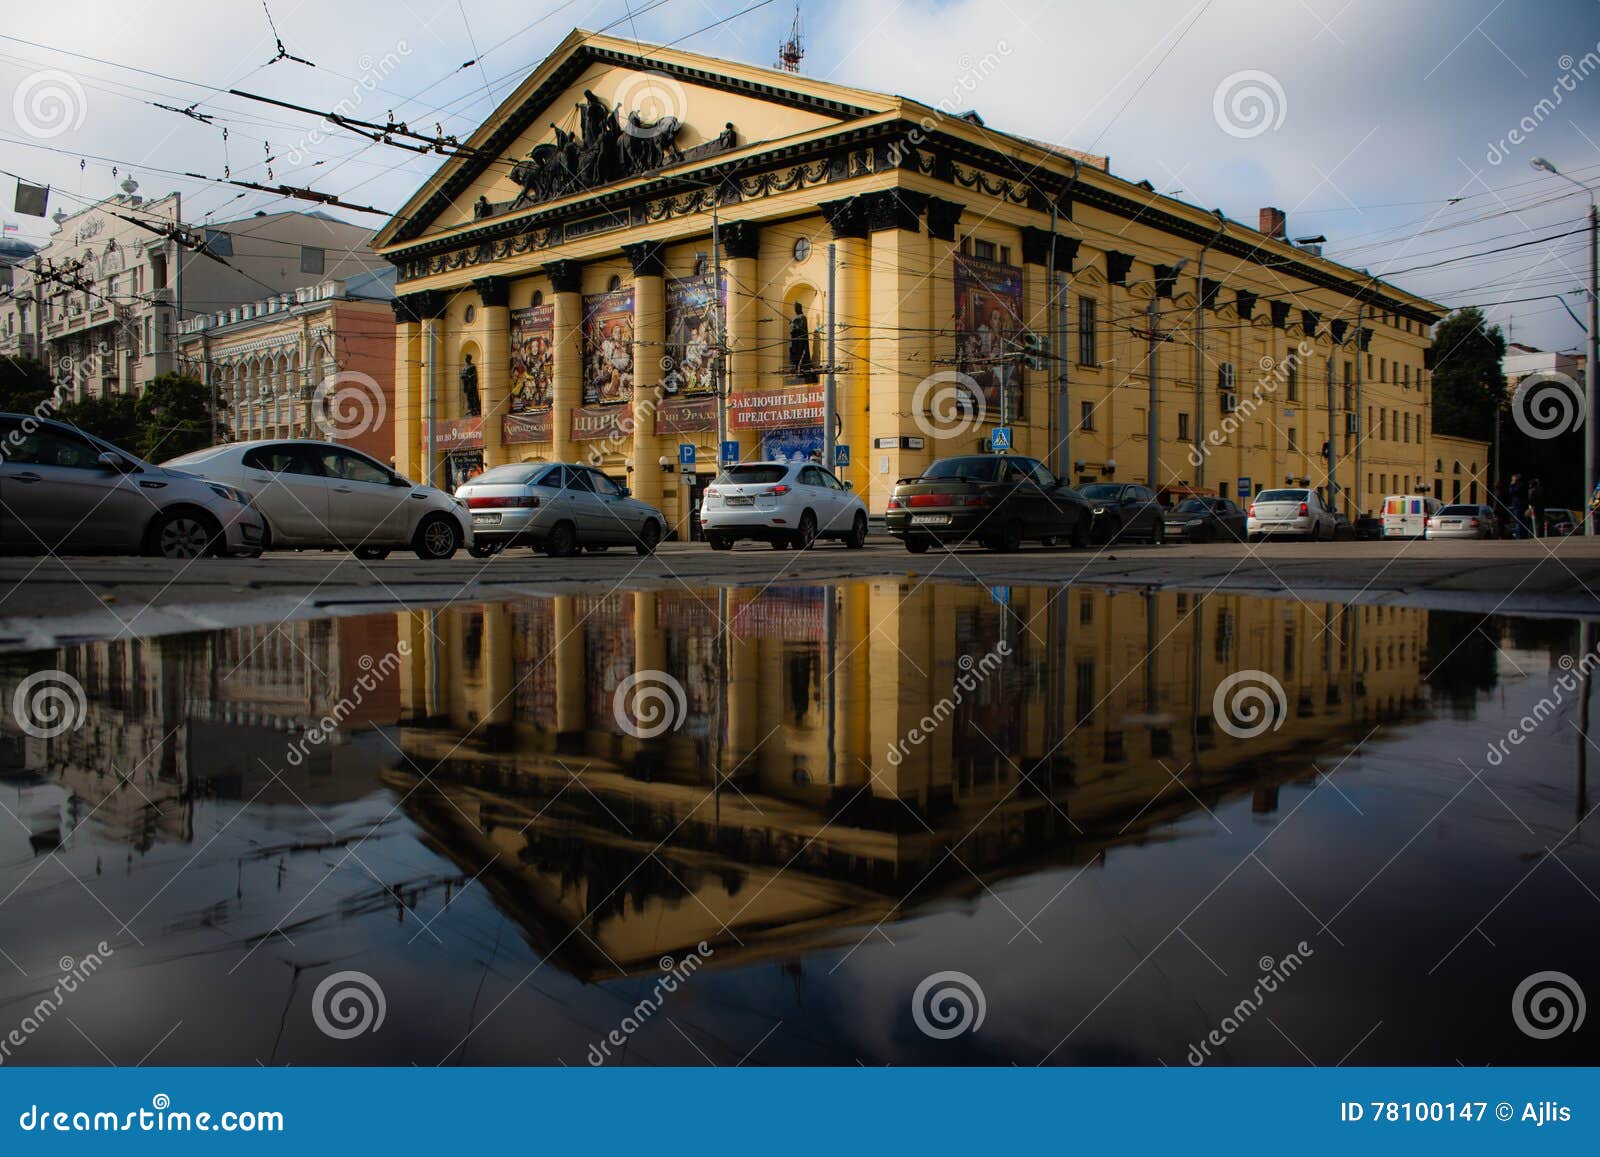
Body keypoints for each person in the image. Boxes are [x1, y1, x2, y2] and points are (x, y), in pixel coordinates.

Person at [1508, 473, 1527, 539]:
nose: (1512, 480)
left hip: (1518, 505)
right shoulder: (1522, 485)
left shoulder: (1519, 485)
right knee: (1521, 521)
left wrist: (1512, 485)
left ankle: (1519, 536)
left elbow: (1511, 492)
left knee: (1518, 521)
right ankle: (1521, 535)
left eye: (1513, 479)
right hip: (1519, 505)